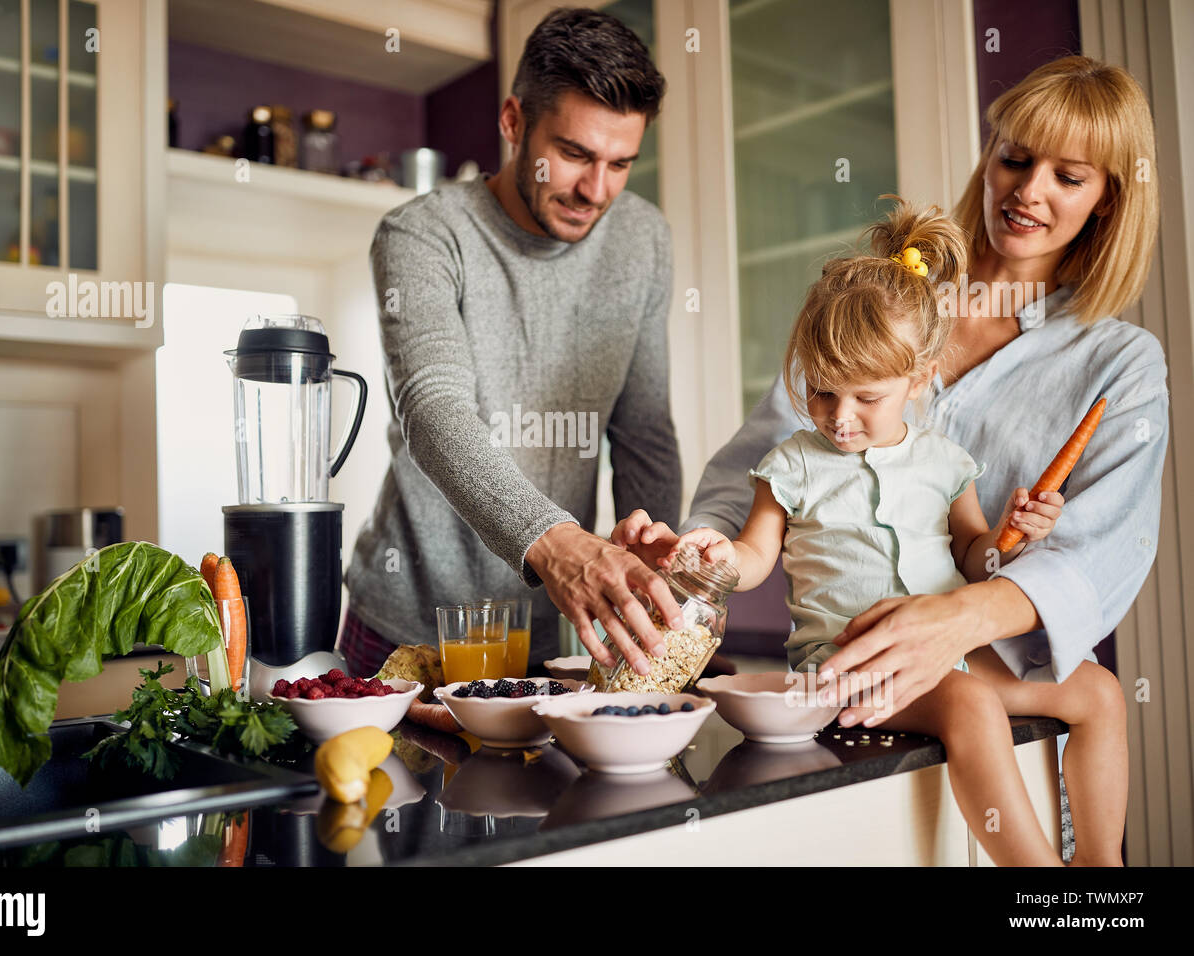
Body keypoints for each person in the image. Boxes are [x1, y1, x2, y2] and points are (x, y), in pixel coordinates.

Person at [614, 56, 1167, 866]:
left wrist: (968, 603)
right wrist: (703, 555)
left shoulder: (1120, 362)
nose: (1028, 191)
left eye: (1068, 176)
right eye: (1014, 158)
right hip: (877, 727)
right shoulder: (877, 312)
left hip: (1012, 753)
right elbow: (755, 469)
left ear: (1109, 196)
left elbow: (1102, 548)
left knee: (1096, 713)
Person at [669, 201, 1087, 866]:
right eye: (823, 393)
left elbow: (976, 559)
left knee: (1097, 691)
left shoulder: (948, 463)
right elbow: (755, 555)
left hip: (944, 654)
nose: (840, 418)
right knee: (972, 706)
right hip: (847, 667)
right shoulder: (792, 464)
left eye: (867, 398)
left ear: (920, 380)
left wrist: (1011, 537)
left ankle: (1098, 865)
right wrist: (719, 553)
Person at [342, 7, 684, 679]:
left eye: (621, 163)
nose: (596, 191)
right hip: (406, 629)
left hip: (551, 636)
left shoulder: (644, 240)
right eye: (575, 155)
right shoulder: (422, 235)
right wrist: (556, 547)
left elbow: (643, 432)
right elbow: (434, 411)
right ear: (512, 122)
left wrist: (655, 591)